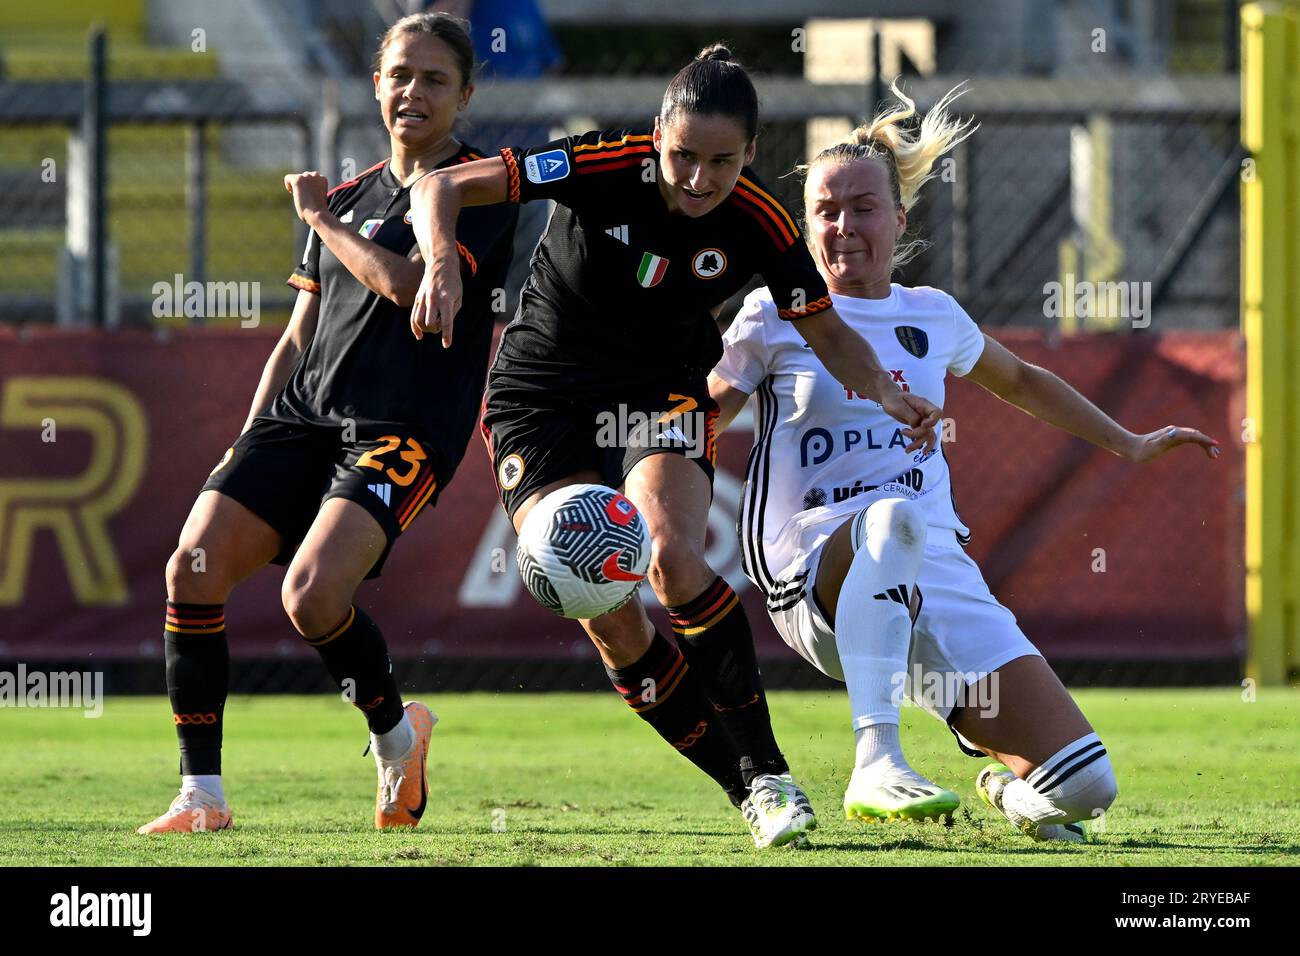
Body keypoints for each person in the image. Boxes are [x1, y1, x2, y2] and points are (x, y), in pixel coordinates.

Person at [408, 46, 941, 848]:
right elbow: (440, 183)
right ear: (657, 133)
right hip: (541, 397)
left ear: (752, 154)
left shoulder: (759, 219)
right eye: (682, 155)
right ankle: (743, 788)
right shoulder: (599, 162)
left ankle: (768, 772)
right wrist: (443, 263)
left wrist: (893, 392)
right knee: (605, 606)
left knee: (673, 558)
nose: (697, 179)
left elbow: (825, 328)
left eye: (721, 162)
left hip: (658, 390)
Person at [708, 80, 1220, 839]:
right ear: (802, 225)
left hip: (933, 573)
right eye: (825, 210)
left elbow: (1021, 380)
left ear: (900, 219)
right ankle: (876, 758)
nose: (843, 226)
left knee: (1086, 787)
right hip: (812, 571)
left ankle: (1008, 791)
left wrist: (1130, 442)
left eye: (862, 208)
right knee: (891, 518)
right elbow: (705, 408)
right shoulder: (774, 314)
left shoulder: (932, 315)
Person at [139, 12, 517, 834]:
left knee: (309, 597)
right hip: (301, 418)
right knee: (191, 570)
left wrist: (321, 224)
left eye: (434, 79)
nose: (412, 92)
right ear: (376, 85)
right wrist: (248, 440)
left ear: (464, 94)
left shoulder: (479, 187)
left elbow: (409, 286)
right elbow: (296, 338)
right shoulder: (349, 194)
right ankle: (201, 794)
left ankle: (396, 737)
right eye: (399, 76)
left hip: (404, 429)